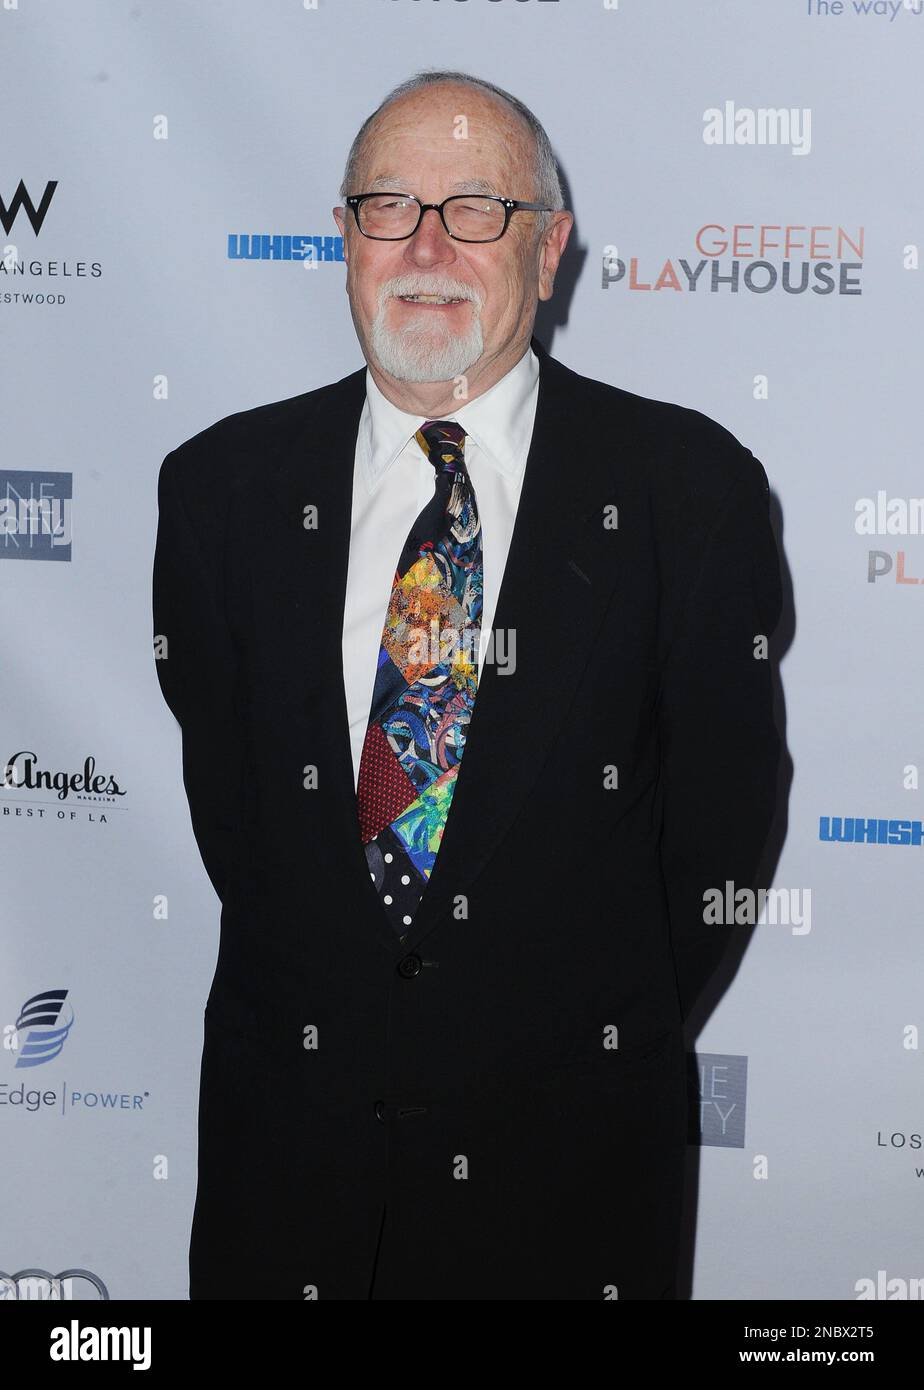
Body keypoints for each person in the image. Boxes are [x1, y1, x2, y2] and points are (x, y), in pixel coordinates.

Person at [153, 69, 783, 1300]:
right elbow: (241, 820)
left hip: (569, 1184)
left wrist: (566, 1028)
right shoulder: (220, 486)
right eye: (388, 205)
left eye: (477, 209)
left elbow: (723, 815)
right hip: (288, 1179)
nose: (428, 244)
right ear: (344, 239)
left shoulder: (682, 487)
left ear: (548, 255)